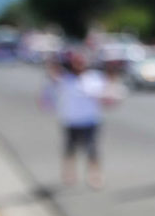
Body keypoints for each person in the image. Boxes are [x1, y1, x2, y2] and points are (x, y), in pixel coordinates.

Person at [42, 52, 117, 189]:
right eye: (76, 62)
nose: (79, 65)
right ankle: (69, 175)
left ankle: (95, 176)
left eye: (81, 62)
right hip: (71, 120)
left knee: (92, 150)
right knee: (70, 149)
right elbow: (51, 85)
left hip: (90, 121)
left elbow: (109, 95)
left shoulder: (94, 78)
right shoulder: (65, 79)